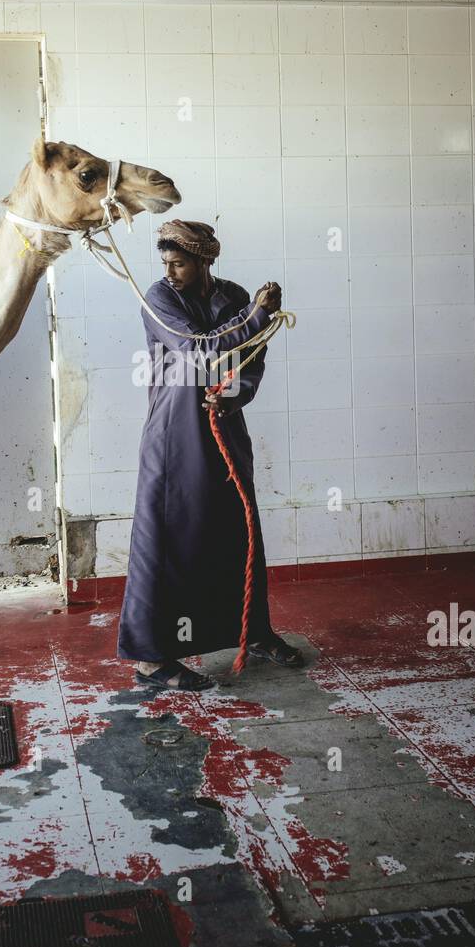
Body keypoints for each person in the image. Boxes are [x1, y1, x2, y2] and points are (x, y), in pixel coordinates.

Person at [116, 218, 304, 691]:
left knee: (237, 528)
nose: (170, 272)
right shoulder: (157, 299)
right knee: (164, 539)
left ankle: (251, 631)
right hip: (174, 433)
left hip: (222, 425)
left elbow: (250, 361)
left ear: (205, 261)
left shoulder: (234, 296)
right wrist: (257, 317)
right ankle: (150, 659)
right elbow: (198, 350)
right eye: (166, 263)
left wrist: (234, 395)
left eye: (179, 263)